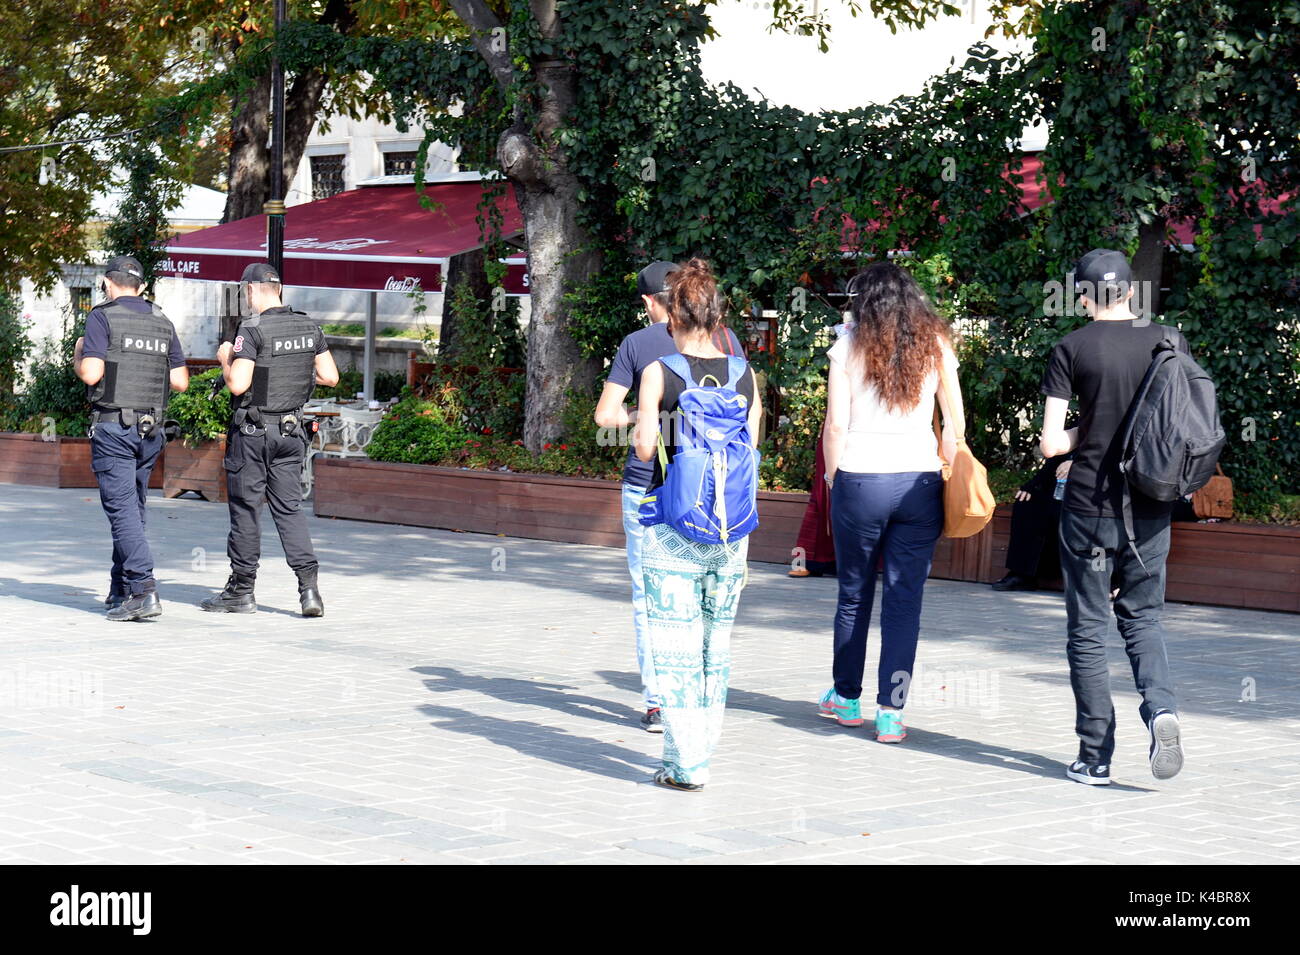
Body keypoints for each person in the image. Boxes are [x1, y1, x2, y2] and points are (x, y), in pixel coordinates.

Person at [1040, 248, 1189, 785]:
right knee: (1144, 617)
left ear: (1082, 295)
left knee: (1087, 628)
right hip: (1151, 504)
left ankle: (1095, 755)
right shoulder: (1167, 342)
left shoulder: (1071, 347)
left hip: (1089, 507)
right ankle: (1162, 710)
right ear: (1130, 292)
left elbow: (1050, 444)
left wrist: (1093, 427)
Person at [594, 261, 745, 734]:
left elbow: (604, 416)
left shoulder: (639, 346)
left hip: (652, 485)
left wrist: (653, 419)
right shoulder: (731, 347)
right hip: (720, 493)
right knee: (711, 599)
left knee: (652, 596)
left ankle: (660, 700)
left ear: (649, 302)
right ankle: (703, 696)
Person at [633, 258, 762, 791]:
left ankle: (688, 763)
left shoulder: (658, 373)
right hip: (732, 531)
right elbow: (751, 447)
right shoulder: (745, 374)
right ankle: (701, 744)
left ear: (673, 319)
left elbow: (643, 446)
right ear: (717, 315)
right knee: (716, 643)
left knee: (676, 647)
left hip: (671, 528)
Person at [818, 262, 960, 743]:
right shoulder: (936, 344)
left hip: (860, 479)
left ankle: (846, 699)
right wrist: (943, 462)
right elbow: (954, 428)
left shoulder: (848, 346)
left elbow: (836, 426)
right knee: (905, 600)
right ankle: (891, 713)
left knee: (854, 594)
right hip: (919, 482)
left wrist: (834, 477)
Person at [200, 263, 339, 617]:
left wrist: (225, 360)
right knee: (289, 509)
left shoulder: (253, 328)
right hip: (292, 433)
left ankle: (241, 591)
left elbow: (238, 385)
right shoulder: (309, 326)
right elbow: (330, 376)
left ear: (250, 290)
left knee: (247, 509)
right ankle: (309, 591)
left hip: (254, 434)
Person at [73, 255, 190, 622]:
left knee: (122, 510)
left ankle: (143, 590)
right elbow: (180, 382)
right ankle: (120, 588)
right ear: (141, 286)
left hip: (115, 429)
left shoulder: (101, 316)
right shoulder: (162, 321)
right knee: (133, 508)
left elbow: (92, 374)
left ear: (108, 284)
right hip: (151, 430)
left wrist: (79, 354)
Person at [991, 455, 1073, 591]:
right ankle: (1022, 574)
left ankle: (1101, 581)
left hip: (1092, 485)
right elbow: (1054, 462)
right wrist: (1032, 486)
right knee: (1027, 503)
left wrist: (1078, 464)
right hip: (1066, 484)